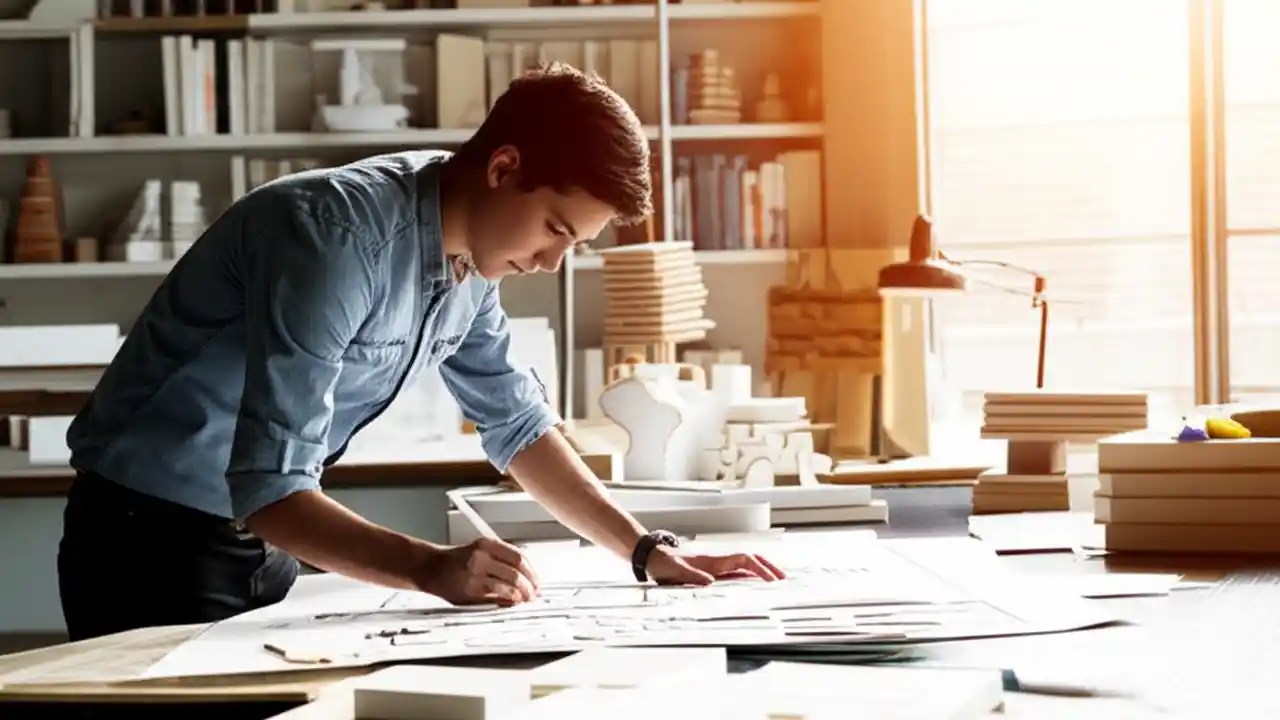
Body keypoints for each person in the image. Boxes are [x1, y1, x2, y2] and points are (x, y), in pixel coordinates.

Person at [58, 64, 784, 642]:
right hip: (145, 539)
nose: (552, 263)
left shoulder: (469, 259)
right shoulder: (336, 238)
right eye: (555, 230)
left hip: (263, 536)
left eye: (576, 245)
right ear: (503, 167)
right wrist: (431, 568)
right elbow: (271, 487)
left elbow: (519, 427)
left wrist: (644, 551)